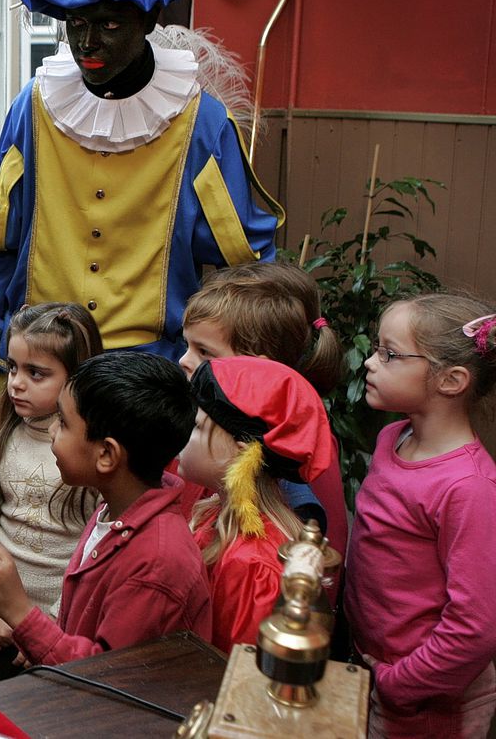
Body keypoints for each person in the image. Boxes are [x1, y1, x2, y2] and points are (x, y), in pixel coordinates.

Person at [0, 0, 283, 420]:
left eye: (108, 24)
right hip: (37, 374)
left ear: (148, 20)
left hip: (149, 383)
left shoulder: (201, 122)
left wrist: (222, 366)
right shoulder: (34, 106)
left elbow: (245, 266)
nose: (88, 42)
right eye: (77, 24)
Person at [0, 352, 211, 665]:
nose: (53, 432)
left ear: (107, 455)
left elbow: (106, 675)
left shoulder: (156, 564)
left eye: (64, 422)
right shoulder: (115, 508)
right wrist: (47, 639)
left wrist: (20, 613)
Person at [345, 294, 496, 737]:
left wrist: (399, 684)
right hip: (376, 669)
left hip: (427, 701)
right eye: (376, 349)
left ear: (450, 380)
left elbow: (474, 628)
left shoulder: (468, 488)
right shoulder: (394, 436)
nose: (370, 363)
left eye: (389, 354)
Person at [178, 260, 348, 552]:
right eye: (188, 346)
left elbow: (317, 550)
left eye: (204, 352)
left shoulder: (289, 445)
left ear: (257, 367)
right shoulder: (210, 419)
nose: (183, 360)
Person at [0, 302, 102, 683]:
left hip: (62, 625)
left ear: (76, 378)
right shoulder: (2, 434)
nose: (16, 382)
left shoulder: (91, 451)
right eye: (12, 367)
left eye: (36, 373)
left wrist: (48, 629)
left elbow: (93, 549)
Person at [177, 356, 335, 653]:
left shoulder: (252, 564)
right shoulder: (213, 514)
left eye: (196, 426)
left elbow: (231, 668)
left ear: (239, 454)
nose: (184, 431)